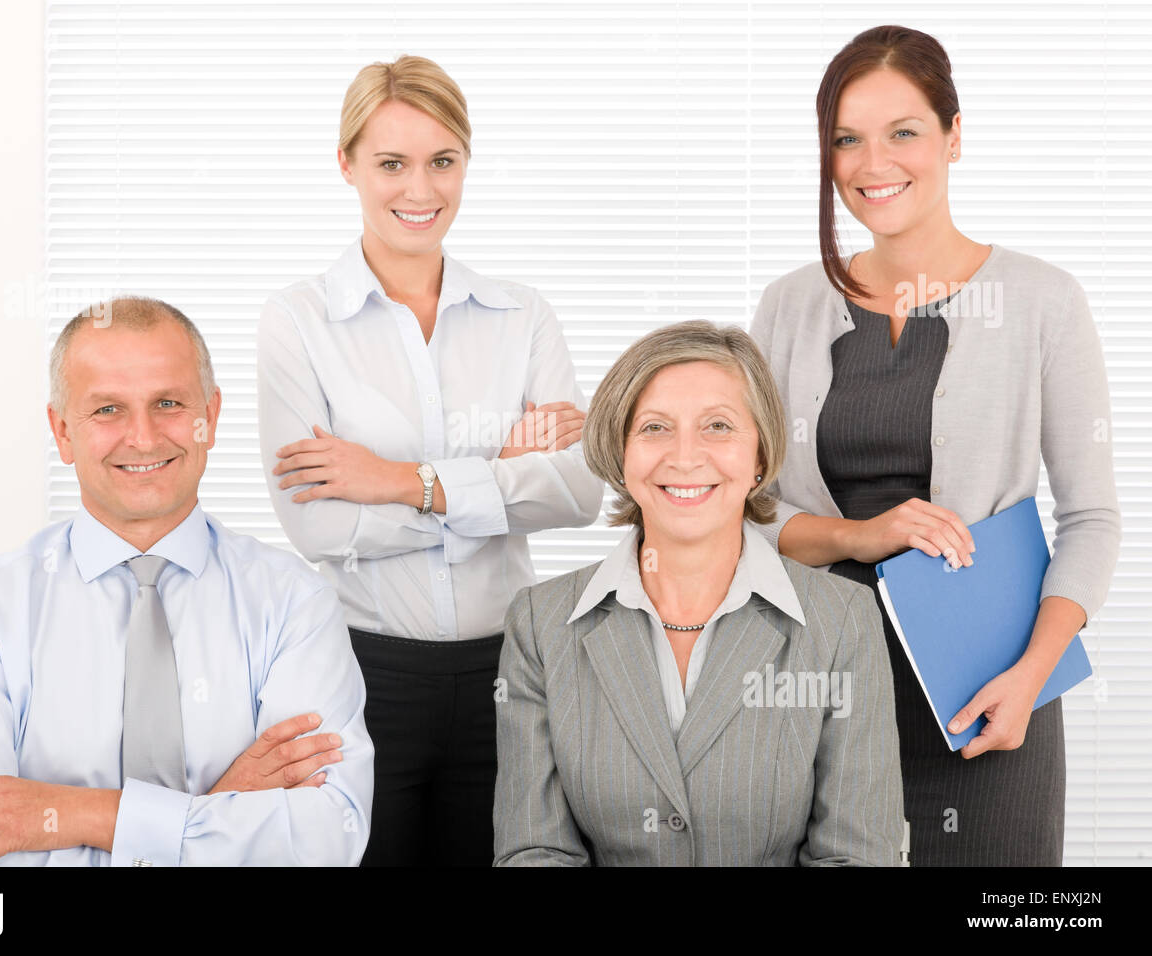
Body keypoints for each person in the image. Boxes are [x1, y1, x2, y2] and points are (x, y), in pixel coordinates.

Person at [748, 26, 1121, 866]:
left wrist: (1032, 676)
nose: (872, 163)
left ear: (954, 136)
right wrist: (856, 537)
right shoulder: (787, 307)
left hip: (988, 695)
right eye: (846, 140)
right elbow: (748, 510)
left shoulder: (1042, 302)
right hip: (817, 697)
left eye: (903, 132)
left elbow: (1093, 517)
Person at [257, 55, 604, 866]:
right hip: (363, 671)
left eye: (442, 161)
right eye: (391, 163)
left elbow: (581, 492)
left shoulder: (523, 316)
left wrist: (396, 480)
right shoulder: (299, 321)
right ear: (346, 164)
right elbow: (322, 526)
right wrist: (493, 479)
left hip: (509, 672)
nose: (421, 190)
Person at [0, 297, 373, 866]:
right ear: (62, 431)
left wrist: (79, 814)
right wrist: (220, 811)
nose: (144, 437)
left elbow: (326, 841)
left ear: (212, 417)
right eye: (107, 410)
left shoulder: (297, 604)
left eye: (168, 403)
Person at [493, 321, 904, 866]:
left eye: (718, 425)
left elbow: (857, 857)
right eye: (655, 428)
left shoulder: (841, 620)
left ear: (760, 455)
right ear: (621, 455)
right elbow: (533, 851)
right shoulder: (541, 624)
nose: (685, 457)